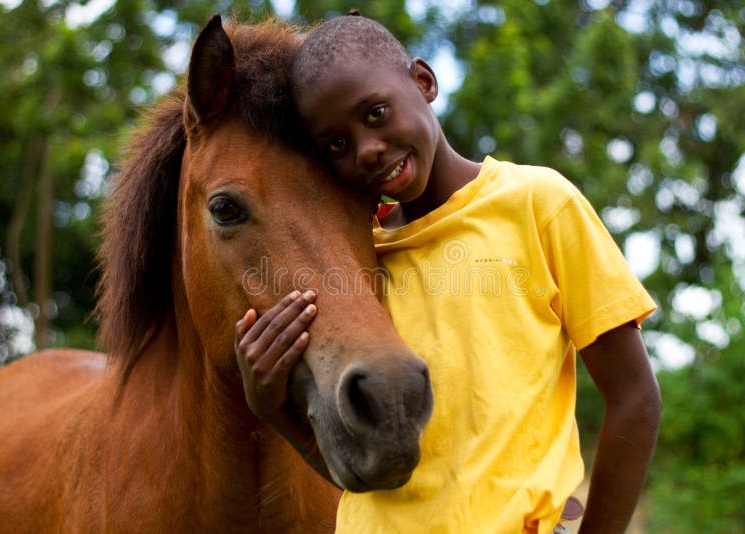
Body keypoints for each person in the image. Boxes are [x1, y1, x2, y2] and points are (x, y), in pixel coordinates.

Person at [235, 13, 662, 534]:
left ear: (424, 81)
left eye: (375, 113)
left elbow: (635, 397)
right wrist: (269, 404)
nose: (367, 149)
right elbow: (362, 469)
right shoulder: (356, 256)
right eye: (337, 145)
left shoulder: (537, 204)